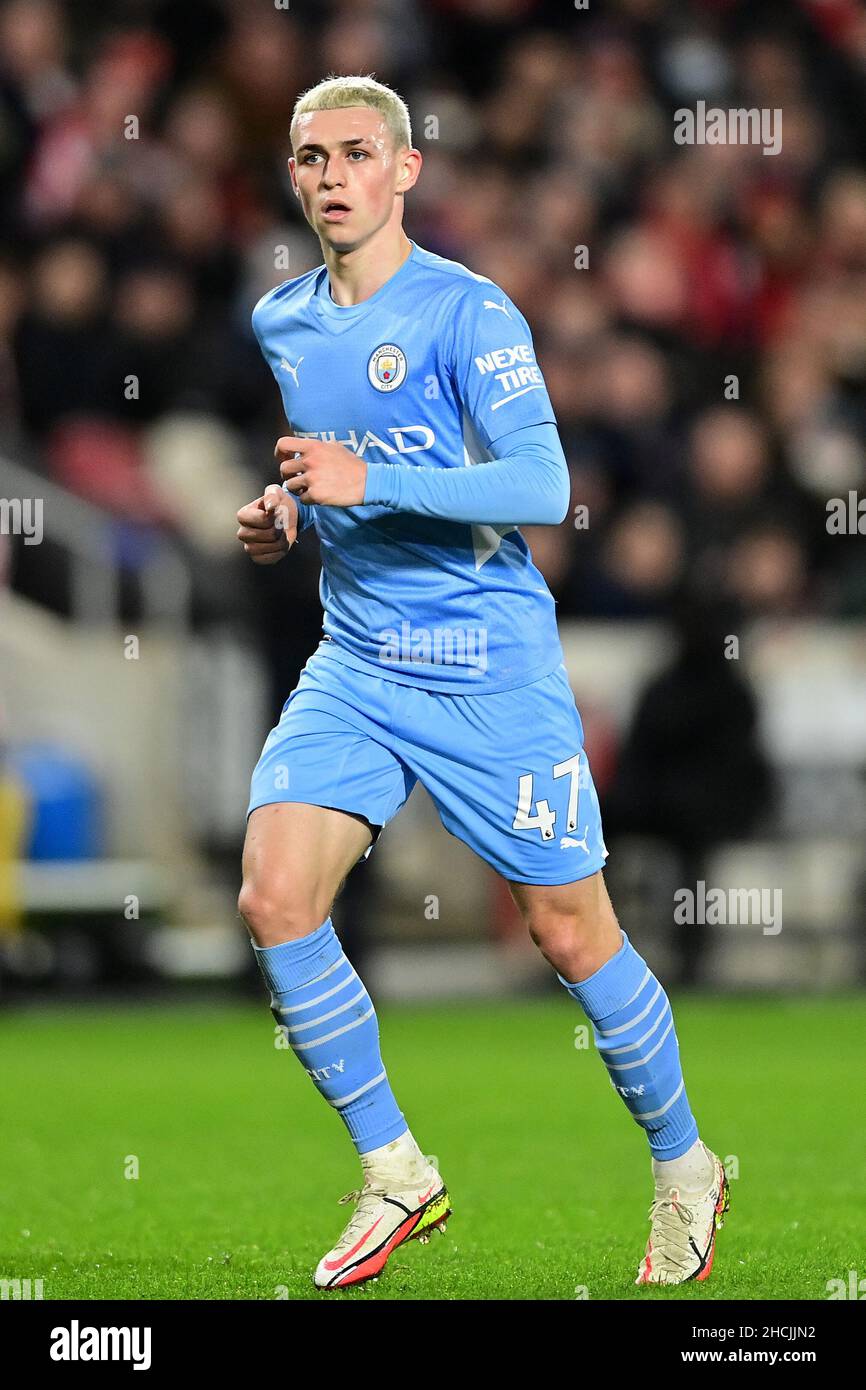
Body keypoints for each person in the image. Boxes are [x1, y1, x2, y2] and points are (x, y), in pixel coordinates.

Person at [235, 74, 729, 1291]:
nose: (333, 175)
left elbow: (535, 486)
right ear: (293, 176)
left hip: (484, 666)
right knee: (272, 895)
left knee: (570, 932)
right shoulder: (280, 321)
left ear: (405, 170)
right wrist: (288, 510)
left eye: (357, 152)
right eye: (311, 157)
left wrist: (365, 483)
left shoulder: (470, 312)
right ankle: (394, 1166)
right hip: (355, 662)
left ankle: (683, 1166)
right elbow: (332, 469)